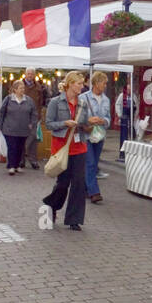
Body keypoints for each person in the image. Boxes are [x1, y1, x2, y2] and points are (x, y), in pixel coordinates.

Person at [40, 72, 89, 230]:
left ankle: (74, 219)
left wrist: (89, 125)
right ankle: (51, 205)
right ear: (70, 84)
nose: (82, 86)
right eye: (79, 83)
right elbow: (49, 124)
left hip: (79, 147)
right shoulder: (56, 102)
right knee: (63, 184)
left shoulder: (83, 103)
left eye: (82, 84)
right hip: (62, 148)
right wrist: (64, 123)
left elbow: (84, 126)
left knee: (79, 184)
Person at [82, 71, 112, 204]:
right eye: (104, 83)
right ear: (96, 83)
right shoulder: (83, 97)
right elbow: (78, 117)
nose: (105, 86)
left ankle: (85, 188)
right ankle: (94, 192)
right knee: (90, 162)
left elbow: (109, 118)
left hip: (100, 135)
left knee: (93, 164)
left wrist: (104, 121)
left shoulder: (106, 100)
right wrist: (89, 120)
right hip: (87, 135)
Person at [0, 78, 37, 176]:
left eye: (23, 88)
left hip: (23, 128)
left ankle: (18, 165)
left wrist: (32, 123)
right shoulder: (8, 99)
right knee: (12, 147)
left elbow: (34, 113)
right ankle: (11, 166)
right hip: (9, 128)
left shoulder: (29, 100)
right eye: (20, 88)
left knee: (20, 147)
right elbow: (1, 112)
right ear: (15, 89)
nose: (22, 90)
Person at [22, 68, 46, 169]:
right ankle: (21, 159)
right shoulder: (20, 85)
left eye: (32, 74)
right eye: (28, 73)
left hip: (34, 116)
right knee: (22, 138)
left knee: (34, 139)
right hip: (22, 116)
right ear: (25, 74)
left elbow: (41, 102)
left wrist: (40, 115)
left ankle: (33, 160)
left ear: (34, 75)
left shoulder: (38, 87)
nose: (30, 75)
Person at [115, 84, 132, 162]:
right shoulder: (122, 96)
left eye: (130, 89)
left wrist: (135, 115)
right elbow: (117, 104)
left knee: (131, 136)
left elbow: (136, 105)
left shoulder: (133, 96)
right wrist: (119, 114)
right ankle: (122, 153)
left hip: (131, 118)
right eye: (128, 89)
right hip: (124, 118)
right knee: (123, 136)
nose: (129, 91)